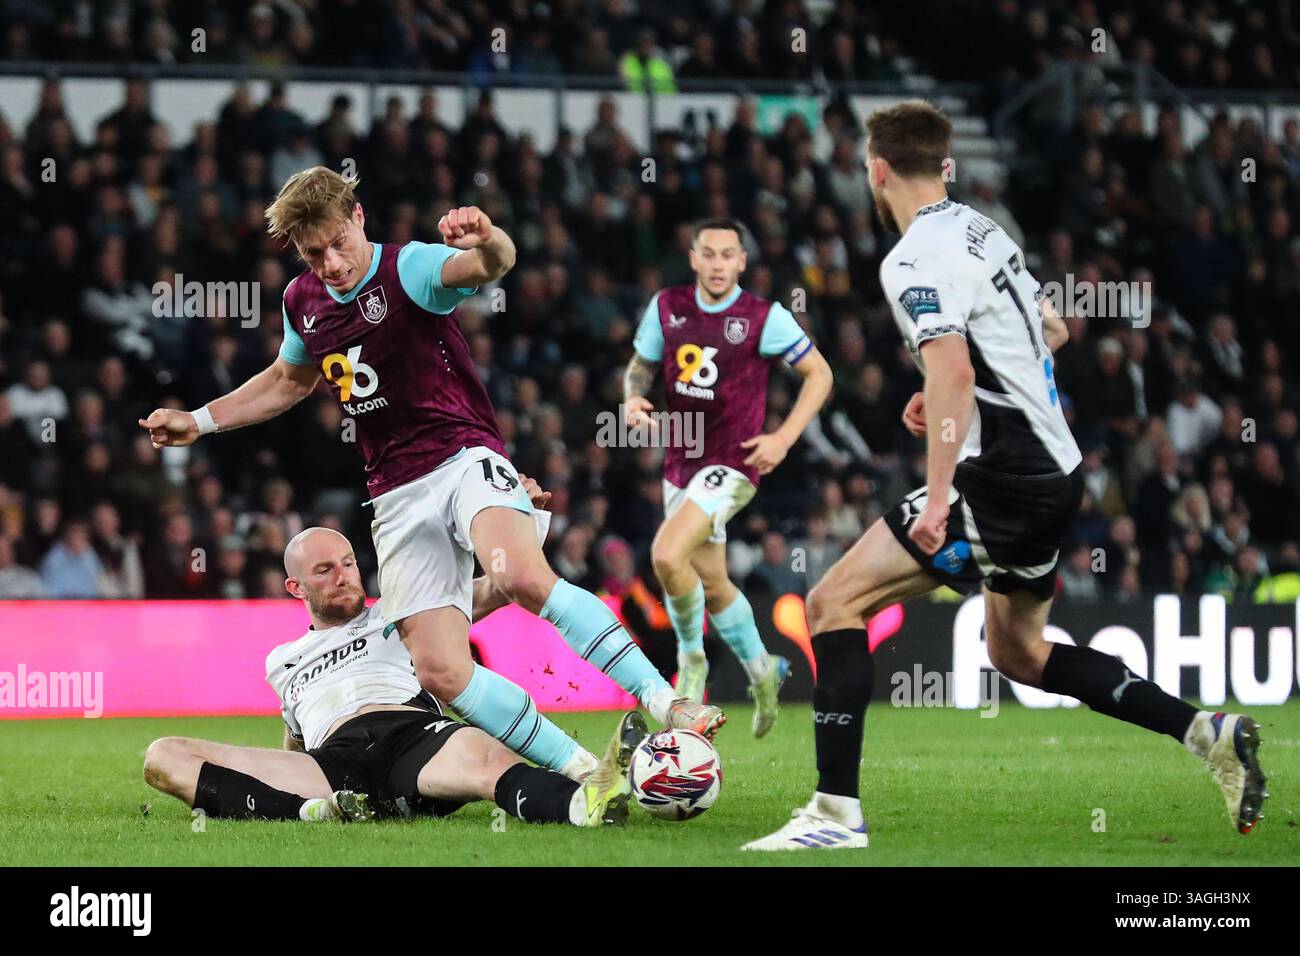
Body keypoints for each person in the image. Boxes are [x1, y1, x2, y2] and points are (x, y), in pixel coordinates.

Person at [744, 100, 1267, 851]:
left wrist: (938, 485)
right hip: (1055, 469)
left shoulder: (911, 257)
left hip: (1001, 479)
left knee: (831, 603)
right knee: (1018, 652)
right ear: (947, 167)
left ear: (877, 170)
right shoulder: (987, 229)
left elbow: (955, 366)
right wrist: (961, 393)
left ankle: (833, 816)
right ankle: (1204, 732)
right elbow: (1047, 330)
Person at [139, 169, 723, 787]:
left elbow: (491, 267)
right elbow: (288, 381)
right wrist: (199, 421)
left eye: (339, 242)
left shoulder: (408, 269)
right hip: (393, 494)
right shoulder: (301, 303)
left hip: (462, 457)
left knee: (519, 574)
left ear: (359, 217)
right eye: (315, 253)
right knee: (442, 670)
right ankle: (588, 774)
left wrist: (488, 236)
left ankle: (668, 703)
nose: (332, 262)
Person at [143, 524, 645, 828]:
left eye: (347, 562)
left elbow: (500, 585)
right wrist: (292, 773)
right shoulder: (282, 659)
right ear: (295, 586)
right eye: (325, 570)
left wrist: (523, 521)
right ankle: (314, 812)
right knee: (164, 756)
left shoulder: (402, 612)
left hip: (413, 736)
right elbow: (294, 736)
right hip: (334, 765)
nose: (343, 574)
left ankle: (585, 804)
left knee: (489, 762)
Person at [623, 218, 833, 736]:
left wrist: (783, 438)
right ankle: (764, 673)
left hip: (733, 465)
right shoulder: (667, 307)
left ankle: (692, 660)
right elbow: (640, 366)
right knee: (713, 585)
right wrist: (631, 396)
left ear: (742, 261)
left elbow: (820, 374)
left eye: (728, 255)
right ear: (694, 258)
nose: (718, 265)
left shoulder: (763, 318)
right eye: (709, 255)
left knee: (667, 555)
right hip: (681, 464)